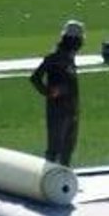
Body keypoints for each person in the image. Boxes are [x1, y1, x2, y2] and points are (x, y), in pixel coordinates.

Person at [29, 20, 84, 166]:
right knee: (55, 149)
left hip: (71, 110)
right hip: (58, 111)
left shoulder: (68, 57)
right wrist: (49, 92)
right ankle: (50, 175)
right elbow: (35, 78)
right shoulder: (55, 58)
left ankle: (63, 175)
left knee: (67, 148)